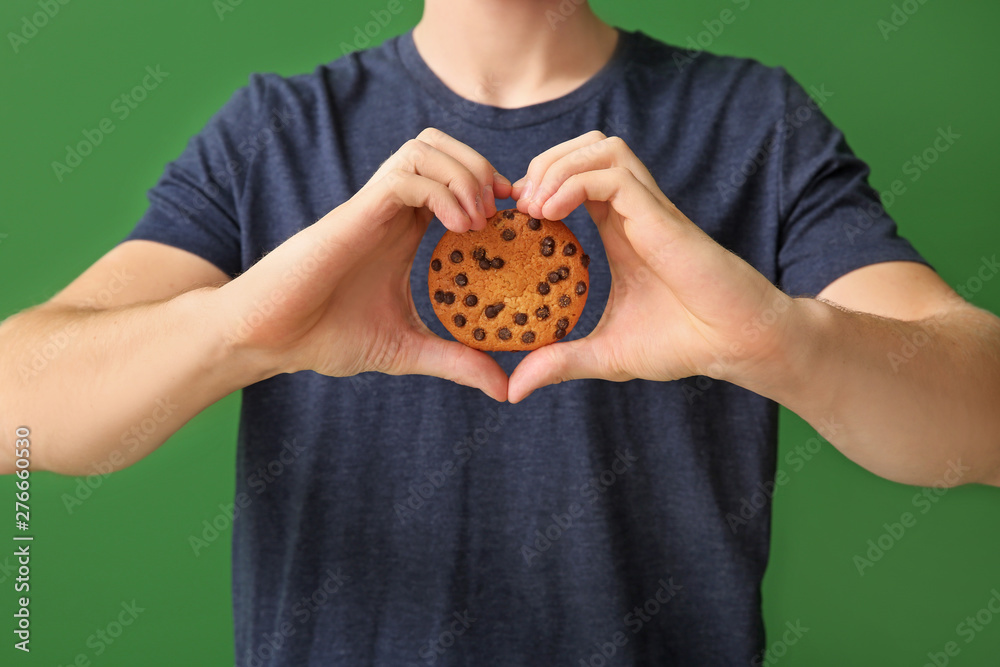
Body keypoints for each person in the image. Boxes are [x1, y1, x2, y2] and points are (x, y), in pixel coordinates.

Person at [2, 0, 999, 664]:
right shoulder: (275, 135)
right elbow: (16, 411)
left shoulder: (756, 126)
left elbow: (983, 419)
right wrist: (234, 330)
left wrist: (783, 339)